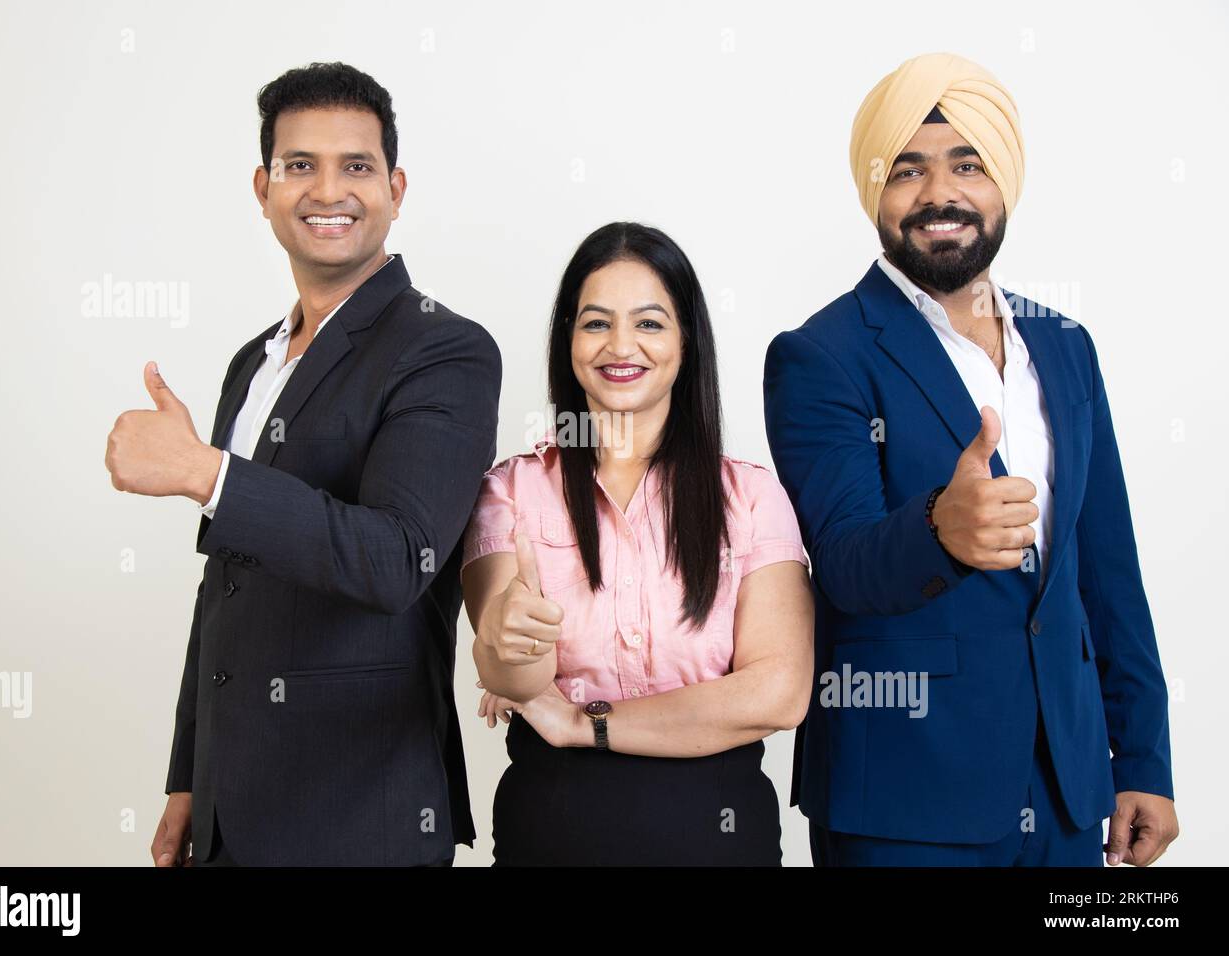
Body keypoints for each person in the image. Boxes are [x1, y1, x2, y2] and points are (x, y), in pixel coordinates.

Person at [763, 52, 1177, 866]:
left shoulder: (1064, 346)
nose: (938, 194)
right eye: (906, 170)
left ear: (1004, 184)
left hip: (1067, 789)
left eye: (967, 165)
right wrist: (938, 530)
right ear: (873, 192)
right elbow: (843, 562)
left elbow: (1108, 571)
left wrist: (1144, 761)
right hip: (905, 799)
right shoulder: (822, 355)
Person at [105, 62, 501, 866]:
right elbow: (226, 589)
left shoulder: (444, 349)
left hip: (359, 815)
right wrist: (189, 778)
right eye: (300, 166)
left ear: (395, 187)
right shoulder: (252, 363)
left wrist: (206, 474)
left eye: (356, 166)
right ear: (263, 187)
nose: (329, 190)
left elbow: (399, 559)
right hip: (229, 815)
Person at [461, 222, 814, 866]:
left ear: (687, 342)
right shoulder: (511, 491)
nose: (621, 345)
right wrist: (510, 644)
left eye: (650, 323)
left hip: (719, 838)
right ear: (568, 340)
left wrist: (582, 722)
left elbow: (780, 691)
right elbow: (509, 673)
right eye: (596, 322)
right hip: (553, 835)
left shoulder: (753, 497)